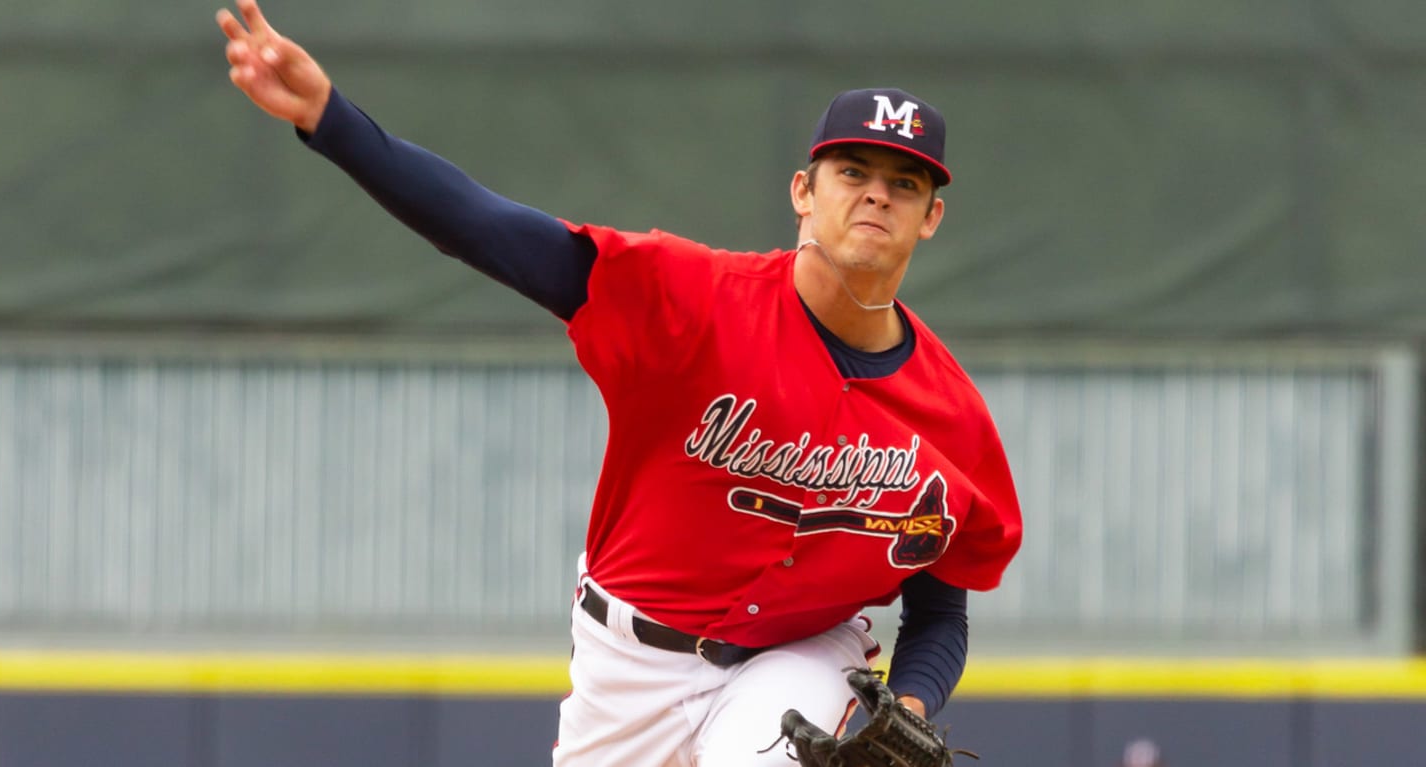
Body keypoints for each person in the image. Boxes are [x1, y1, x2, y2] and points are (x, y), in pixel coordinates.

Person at [216, 1, 1023, 764]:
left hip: (796, 660)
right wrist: (333, 123)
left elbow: (940, 608)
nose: (878, 191)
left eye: (906, 182)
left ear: (931, 218)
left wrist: (911, 705)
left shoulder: (952, 422)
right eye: (853, 169)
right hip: (627, 663)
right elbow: (488, 229)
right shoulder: (691, 299)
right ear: (803, 192)